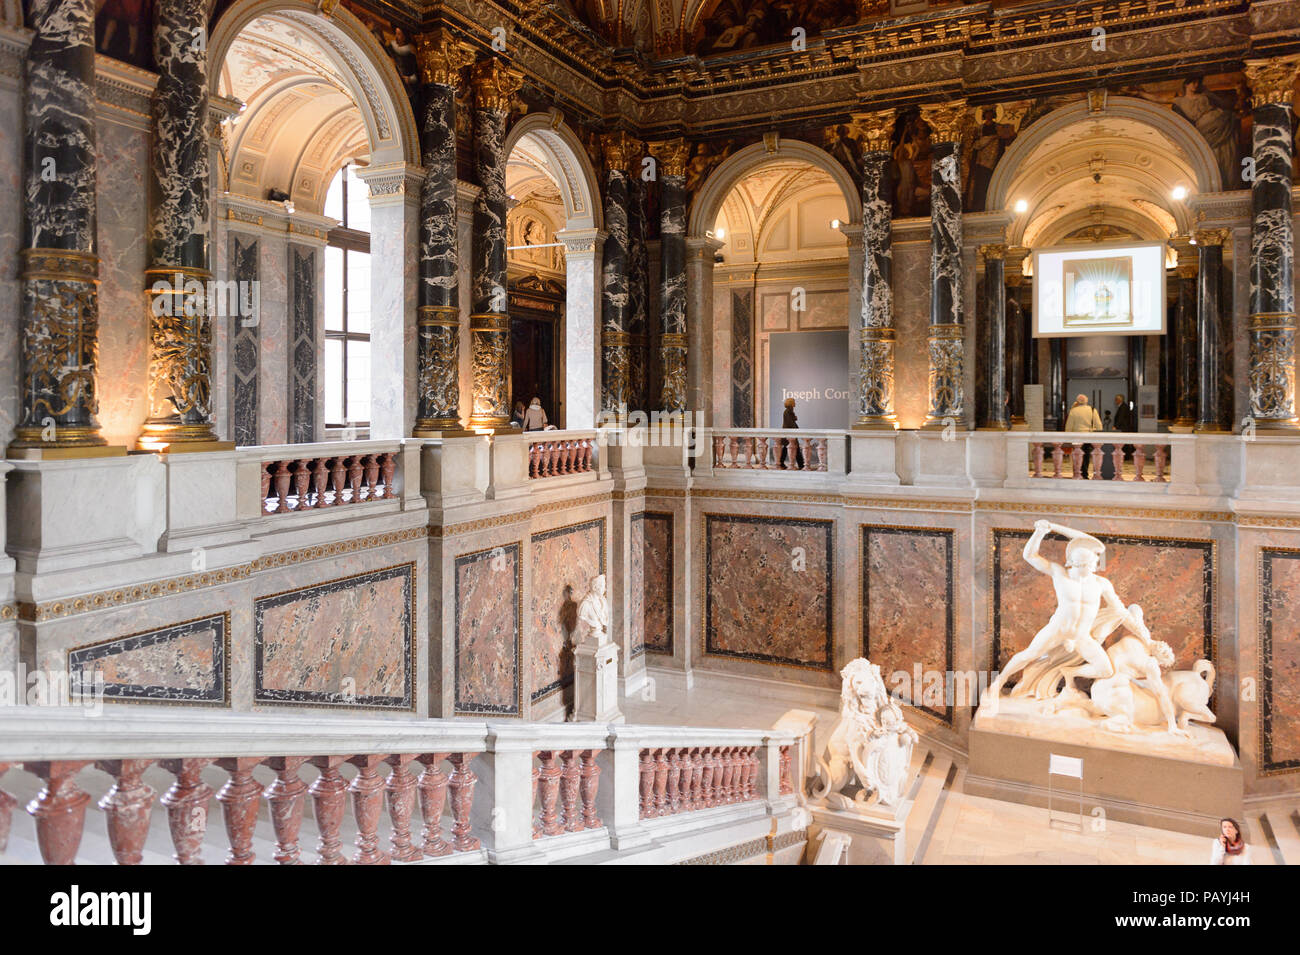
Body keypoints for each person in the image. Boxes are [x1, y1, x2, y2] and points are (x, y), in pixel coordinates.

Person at [984, 521, 1141, 715]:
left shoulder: (1102, 584)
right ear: (1072, 562)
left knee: (1105, 670)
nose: (1088, 567)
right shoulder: (1060, 574)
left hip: (1082, 637)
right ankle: (996, 686)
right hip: (1058, 630)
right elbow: (1029, 556)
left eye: (1090, 563)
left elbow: (1121, 611)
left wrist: (1146, 638)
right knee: (1028, 655)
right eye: (1082, 564)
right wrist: (1041, 532)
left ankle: (1069, 672)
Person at [1064, 394, 1102, 477]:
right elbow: (1099, 425)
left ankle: (1078, 473)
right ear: (1086, 401)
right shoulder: (1092, 410)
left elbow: (1069, 426)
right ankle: (1085, 473)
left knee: (1077, 455)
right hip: (1089, 436)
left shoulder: (1073, 411)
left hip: (1076, 437)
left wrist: (1067, 436)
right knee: (1086, 455)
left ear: (1077, 401)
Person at [782, 397, 804, 469]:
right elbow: (790, 423)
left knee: (786, 449)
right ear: (791, 403)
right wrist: (796, 430)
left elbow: (792, 421)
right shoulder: (787, 411)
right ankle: (801, 465)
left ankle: (781, 463)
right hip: (789, 433)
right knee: (793, 448)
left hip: (790, 433)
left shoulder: (789, 411)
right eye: (794, 402)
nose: (795, 403)